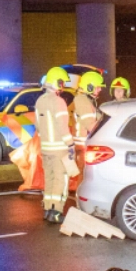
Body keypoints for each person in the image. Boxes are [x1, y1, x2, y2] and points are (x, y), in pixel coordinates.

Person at [36, 66, 75, 223]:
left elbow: (38, 126)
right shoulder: (59, 102)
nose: (63, 86)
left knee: (50, 179)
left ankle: (47, 209)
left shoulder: (40, 101)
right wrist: (70, 144)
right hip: (59, 149)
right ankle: (56, 212)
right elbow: (62, 126)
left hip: (46, 149)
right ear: (56, 83)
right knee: (61, 180)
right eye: (62, 83)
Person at [72, 71, 104, 183]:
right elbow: (92, 126)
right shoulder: (82, 101)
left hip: (84, 145)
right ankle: (80, 200)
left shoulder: (87, 101)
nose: (100, 89)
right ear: (89, 87)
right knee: (83, 178)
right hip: (81, 146)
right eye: (97, 87)